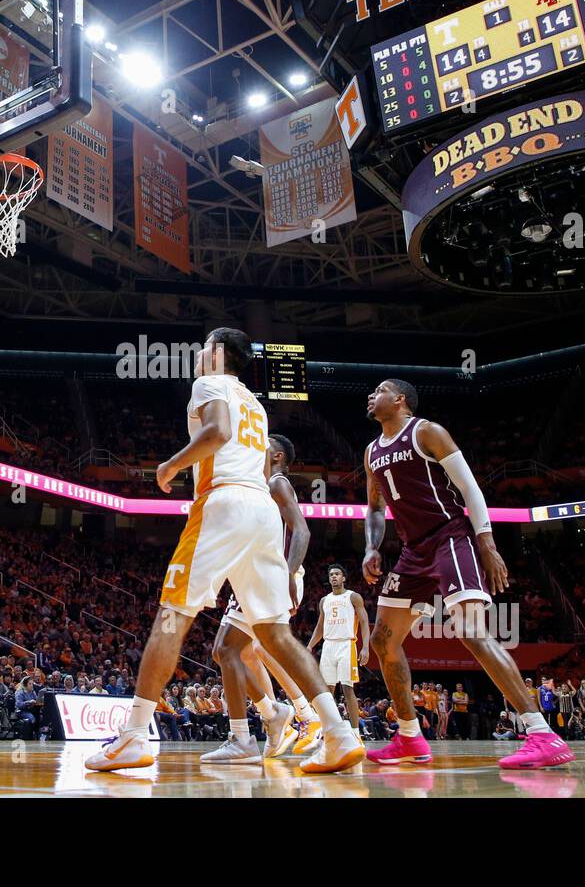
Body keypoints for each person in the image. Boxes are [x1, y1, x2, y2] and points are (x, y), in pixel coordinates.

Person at [84, 329, 364, 775]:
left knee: (171, 616)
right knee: (275, 634)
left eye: (202, 348)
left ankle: (135, 735)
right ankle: (337, 732)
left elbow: (216, 432)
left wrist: (170, 465)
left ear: (216, 354)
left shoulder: (209, 383)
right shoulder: (256, 403)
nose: (196, 355)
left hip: (223, 505)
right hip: (261, 516)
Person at [360, 379, 573, 770]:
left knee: (472, 632)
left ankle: (542, 733)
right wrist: (372, 546)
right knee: (383, 641)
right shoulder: (372, 450)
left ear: (400, 399)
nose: (372, 396)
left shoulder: (426, 431)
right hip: (413, 550)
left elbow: (470, 487)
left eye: (380, 390)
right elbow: (374, 508)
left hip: (450, 538)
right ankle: (409, 737)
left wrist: (486, 544)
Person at [206, 433, 319, 763]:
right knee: (245, 652)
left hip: (274, 575)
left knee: (239, 649)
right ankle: (280, 715)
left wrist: (289, 574)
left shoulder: (278, 483)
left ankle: (304, 716)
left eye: (264, 444)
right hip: (258, 574)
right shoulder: (256, 488)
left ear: (278, 457)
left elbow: (302, 530)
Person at [308, 564, 370, 742]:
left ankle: (355, 732)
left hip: (346, 644)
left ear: (344, 578)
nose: (334, 577)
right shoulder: (324, 600)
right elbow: (320, 627)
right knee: (327, 692)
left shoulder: (353, 597)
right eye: (331, 575)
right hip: (328, 646)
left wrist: (365, 647)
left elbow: (364, 622)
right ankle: (329, 729)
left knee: (347, 688)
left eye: (337, 574)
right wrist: (310, 646)